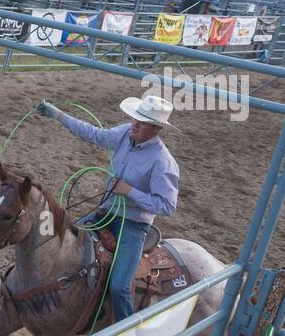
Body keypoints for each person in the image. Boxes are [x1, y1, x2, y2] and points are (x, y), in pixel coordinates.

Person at [37, 94, 179, 324]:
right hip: (106, 212)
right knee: (62, 243)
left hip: (133, 224)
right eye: (135, 118)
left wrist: (129, 191)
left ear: (156, 129)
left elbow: (167, 205)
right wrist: (57, 114)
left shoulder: (162, 162)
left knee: (120, 286)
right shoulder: (125, 133)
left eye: (142, 122)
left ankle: (126, 333)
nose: (134, 124)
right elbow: (93, 134)